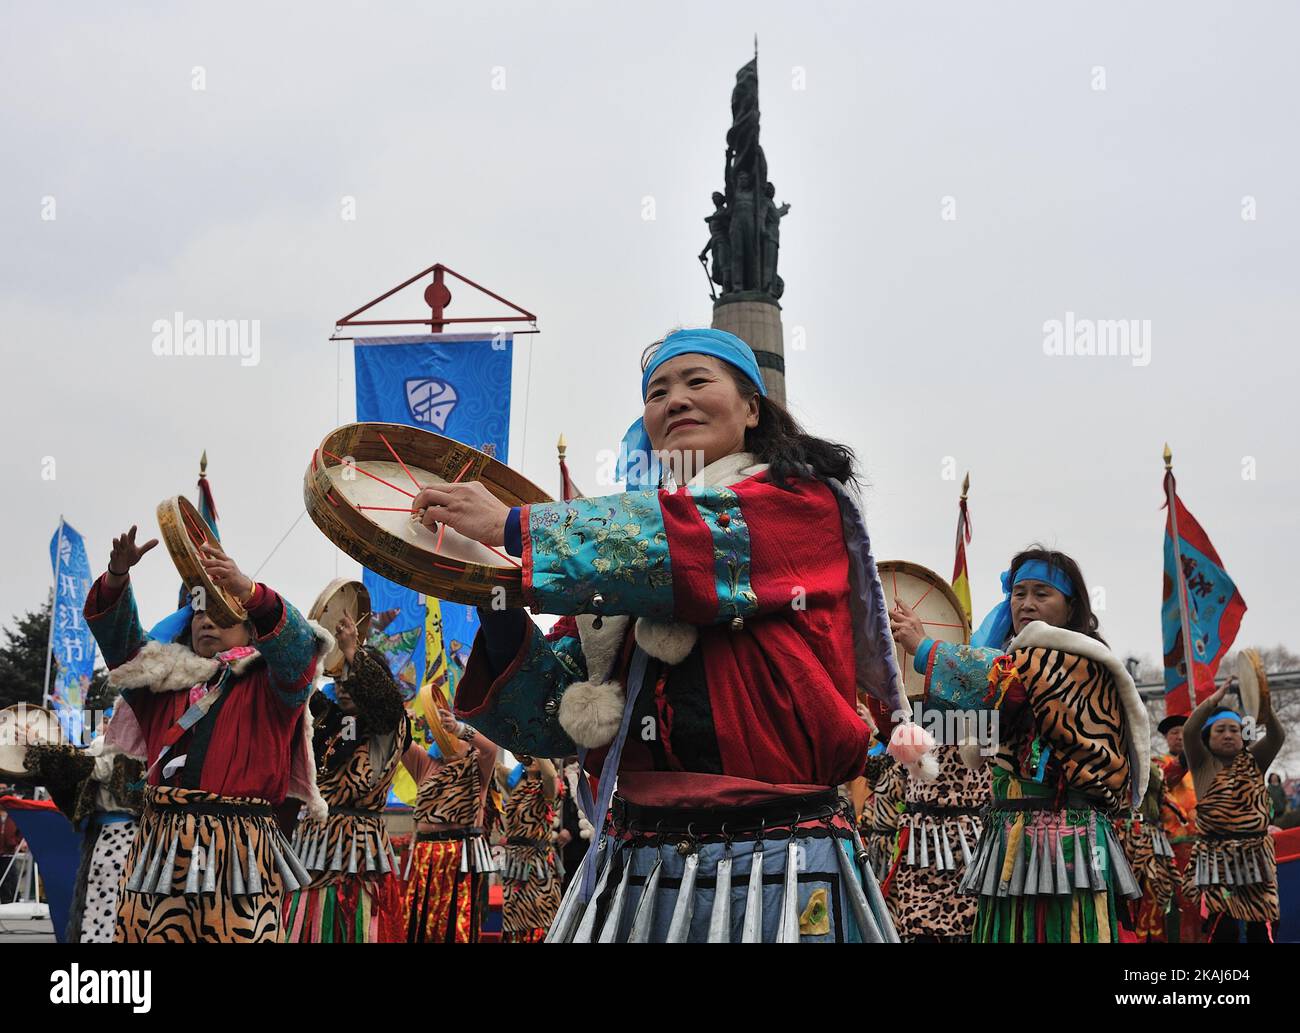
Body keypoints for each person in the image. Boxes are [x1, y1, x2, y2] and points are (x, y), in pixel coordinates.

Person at [417, 327, 901, 942]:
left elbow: (688, 546)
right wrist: (489, 589)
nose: (675, 400)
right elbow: (548, 717)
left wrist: (513, 526)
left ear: (752, 407)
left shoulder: (797, 504)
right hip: (640, 875)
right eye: (657, 391)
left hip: (780, 863)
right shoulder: (614, 585)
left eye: (698, 381)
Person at [890, 546, 1150, 943]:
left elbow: (1003, 685)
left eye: (1041, 593)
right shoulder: (1023, 658)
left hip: (1063, 836)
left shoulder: (1075, 659)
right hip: (1012, 832)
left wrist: (926, 648)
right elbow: (963, 725)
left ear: (1071, 605)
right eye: (1018, 592)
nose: (1026, 604)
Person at [84, 524, 328, 942]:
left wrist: (250, 592)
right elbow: (121, 646)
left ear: (252, 628)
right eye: (199, 612)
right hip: (161, 848)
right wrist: (116, 578)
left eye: (221, 611)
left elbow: (298, 649)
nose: (206, 621)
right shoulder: (158, 681)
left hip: (240, 852)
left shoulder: (275, 685)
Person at [284, 612, 410, 942]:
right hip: (309, 853)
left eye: (351, 677)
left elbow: (386, 704)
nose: (343, 687)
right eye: (338, 678)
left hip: (358, 857)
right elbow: (295, 690)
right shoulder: (326, 721)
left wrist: (353, 651)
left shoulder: (388, 727)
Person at [1182, 680, 1286, 943]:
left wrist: (1264, 705)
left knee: (1261, 930)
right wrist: (1212, 701)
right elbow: (1189, 732)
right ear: (1208, 736)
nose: (1228, 735)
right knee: (1222, 929)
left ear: (1243, 736)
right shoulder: (1202, 765)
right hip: (1216, 858)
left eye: (1234, 729)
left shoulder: (1255, 761)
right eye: (1220, 730)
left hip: (1256, 857)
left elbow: (1277, 736)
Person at [21, 732, 143, 942]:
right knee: (98, 907)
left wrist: (44, 747)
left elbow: (93, 767)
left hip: (120, 839)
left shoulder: (130, 746)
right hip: (105, 837)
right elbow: (77, 769)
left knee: (106, 912)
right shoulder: (113, 743)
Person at [400, 708, 499, 942]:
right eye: (444, 732)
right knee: (419, 921)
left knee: (457, 924)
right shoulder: (424, 762)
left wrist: (459, 728)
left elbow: (490, 747)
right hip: (426, 856)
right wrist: (403, 716)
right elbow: (401, 741)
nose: (448, 737)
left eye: (454, 734)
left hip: (462, 855)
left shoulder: (478, 765)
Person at [500, 756, 563, 942]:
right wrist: (520, 750)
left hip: (538, 863)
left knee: (538, 914)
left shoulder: (549, 789)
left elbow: (550, 774)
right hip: (514, 862)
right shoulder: (517, 787)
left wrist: (537, 751)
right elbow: (497, 769)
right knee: (513, 918)